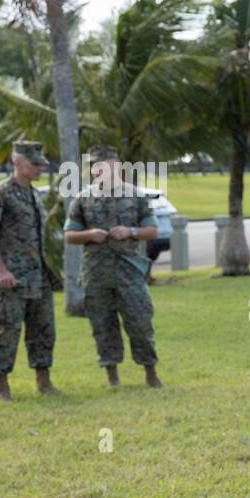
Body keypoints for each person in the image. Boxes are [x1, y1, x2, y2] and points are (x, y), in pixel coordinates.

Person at [64, 145, 163, 388]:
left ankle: (150, 374)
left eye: (102, 165)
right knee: (102, 325)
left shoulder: (135, 195)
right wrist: (89, 234)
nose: (97, 170)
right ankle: (112, 377)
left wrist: (130, 231)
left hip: (129, 273)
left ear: (116, 165)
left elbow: (152, 230)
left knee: (140, 322)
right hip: (96, 274)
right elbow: (69, 235)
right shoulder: (83, 198)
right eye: (93, 166)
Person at [0, 141, 63, 401]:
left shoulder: (34, 194)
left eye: (41, 163)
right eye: (34, 163)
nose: (40, 168)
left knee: (43, 330)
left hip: (38, 277)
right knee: (8, 330)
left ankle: (44, 381)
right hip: (12, 279)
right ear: (17, 162)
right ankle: (2, 387)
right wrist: (1, 270)